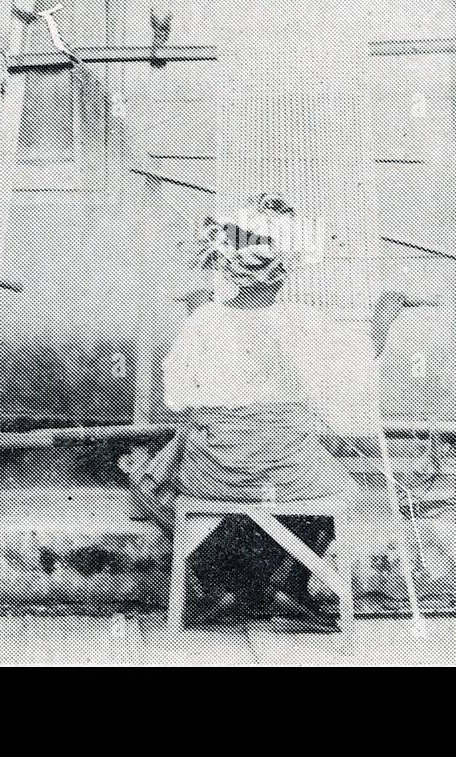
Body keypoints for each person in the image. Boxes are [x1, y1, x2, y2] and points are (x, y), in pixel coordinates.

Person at [123, 192, 393, 630]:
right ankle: (280, 582)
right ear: (283, 274)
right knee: (339, 488)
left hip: (216, 468)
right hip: (288, 468)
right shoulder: (303, 322)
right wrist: (387, 312)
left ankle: (227, 581)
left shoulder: (203, 322)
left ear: (226, 271)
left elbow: (176, 398)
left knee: (153, 478)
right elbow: (350, 378)